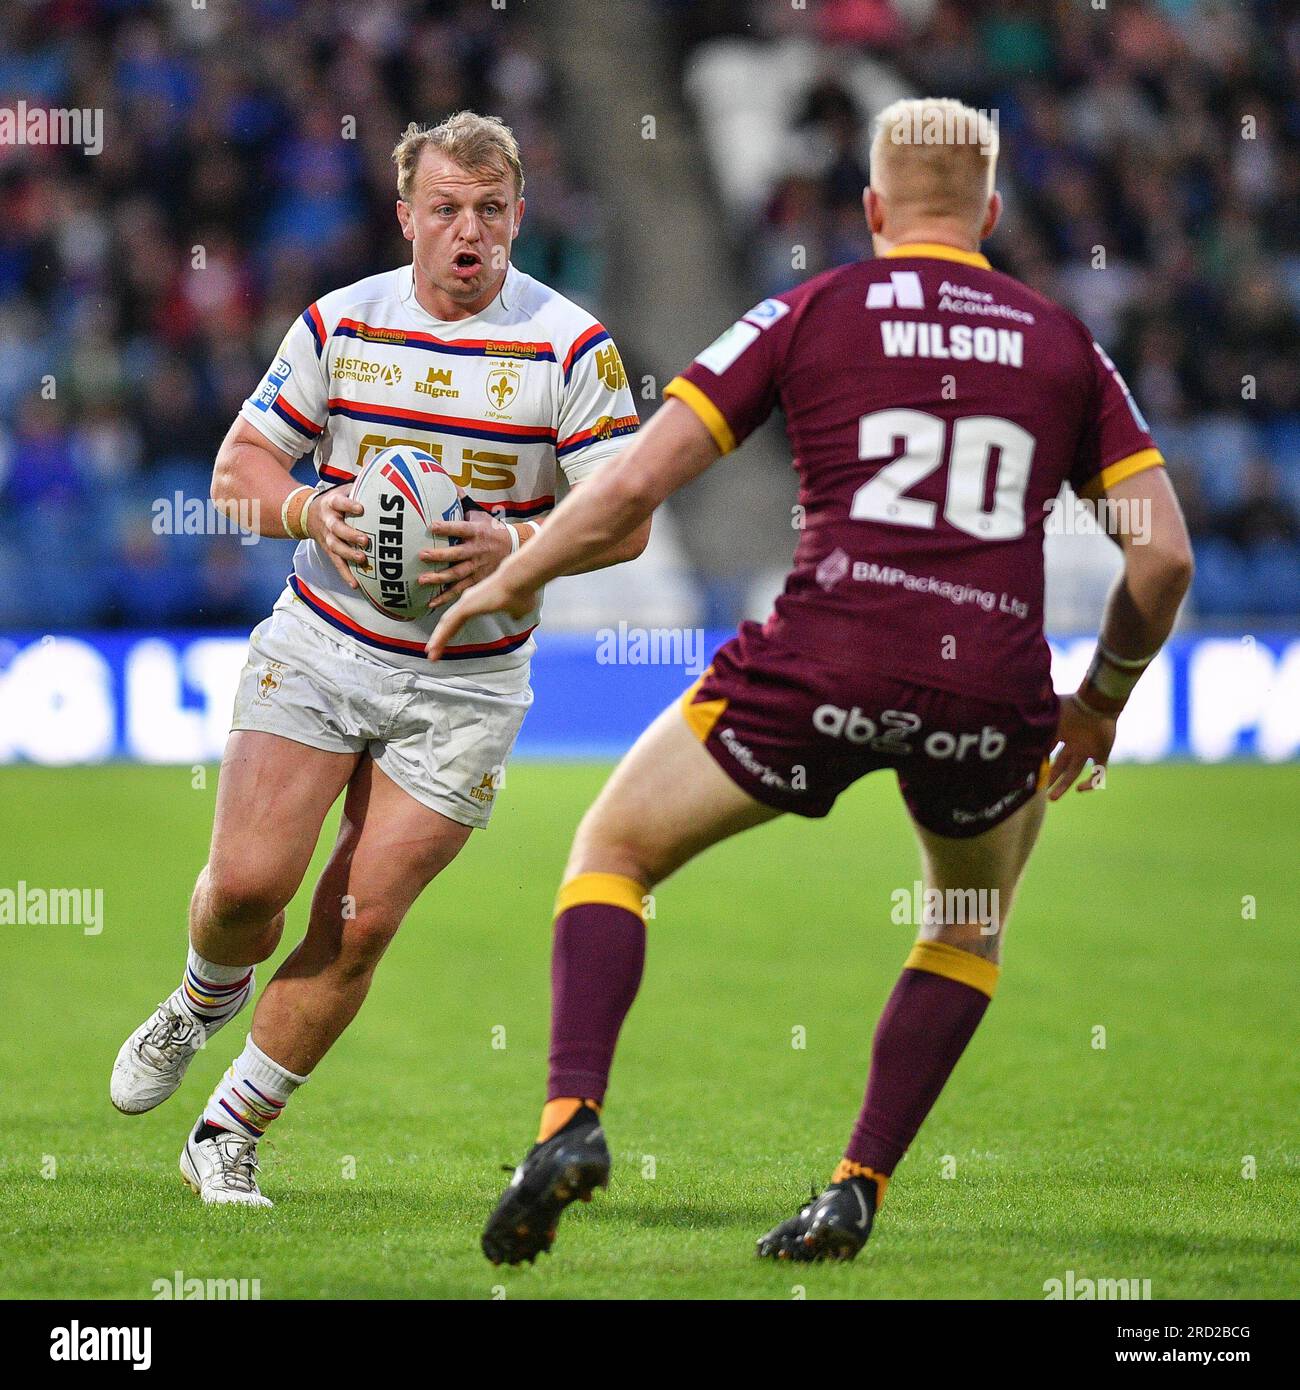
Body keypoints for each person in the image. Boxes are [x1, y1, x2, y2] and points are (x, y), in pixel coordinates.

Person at [428, 98, 1194, 1263]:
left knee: (612, 852)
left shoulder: (812, 308)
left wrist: (513, 575)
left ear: (874, 210)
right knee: (965, 929)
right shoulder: (1062, 344)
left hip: (822, 658)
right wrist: (1099, 703)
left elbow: (634, 488)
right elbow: (1165, 556)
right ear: (988, 213)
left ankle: (569, 1122)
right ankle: (854, 1187)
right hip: (990, 688)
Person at [110, 111, 647, 1206]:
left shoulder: (571, 347)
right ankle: (201, 997)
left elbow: (624, 517)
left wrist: (513, 542)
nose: (469, 231)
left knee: (360, 920)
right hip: (323, 641)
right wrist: (312, 509)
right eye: (446, 208)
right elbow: (237, 469)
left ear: (518, 218)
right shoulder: (341, 325)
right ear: (406, 216)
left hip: (469, 679)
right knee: (245, 891)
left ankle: (230, 1128)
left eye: (491, 210)